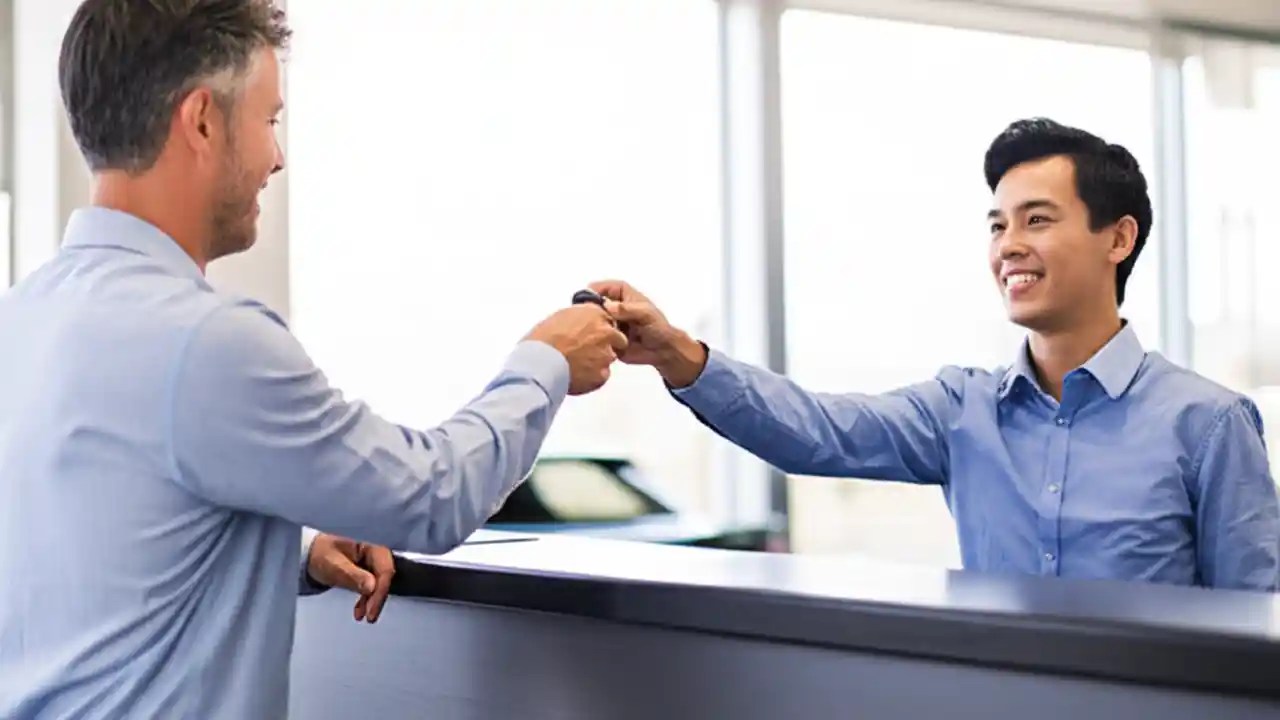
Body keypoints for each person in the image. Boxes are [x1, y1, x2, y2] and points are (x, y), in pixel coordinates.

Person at [0, 1, 626, 717]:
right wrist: (547, 361)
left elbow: (94, 559)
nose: (277, 157)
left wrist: (286, 555)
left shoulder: (21, 319)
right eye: (270, 120)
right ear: (201, 121)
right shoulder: (206, 342)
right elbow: (432, 495)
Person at [592, 118, 1280, 592]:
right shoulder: (962, 410)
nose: (1009, 245)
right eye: (998, 225)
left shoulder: (1208, 423)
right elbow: (817, 431)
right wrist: (679, 355)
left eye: (1037, 220)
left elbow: (1256, 627)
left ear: (1119, 239)